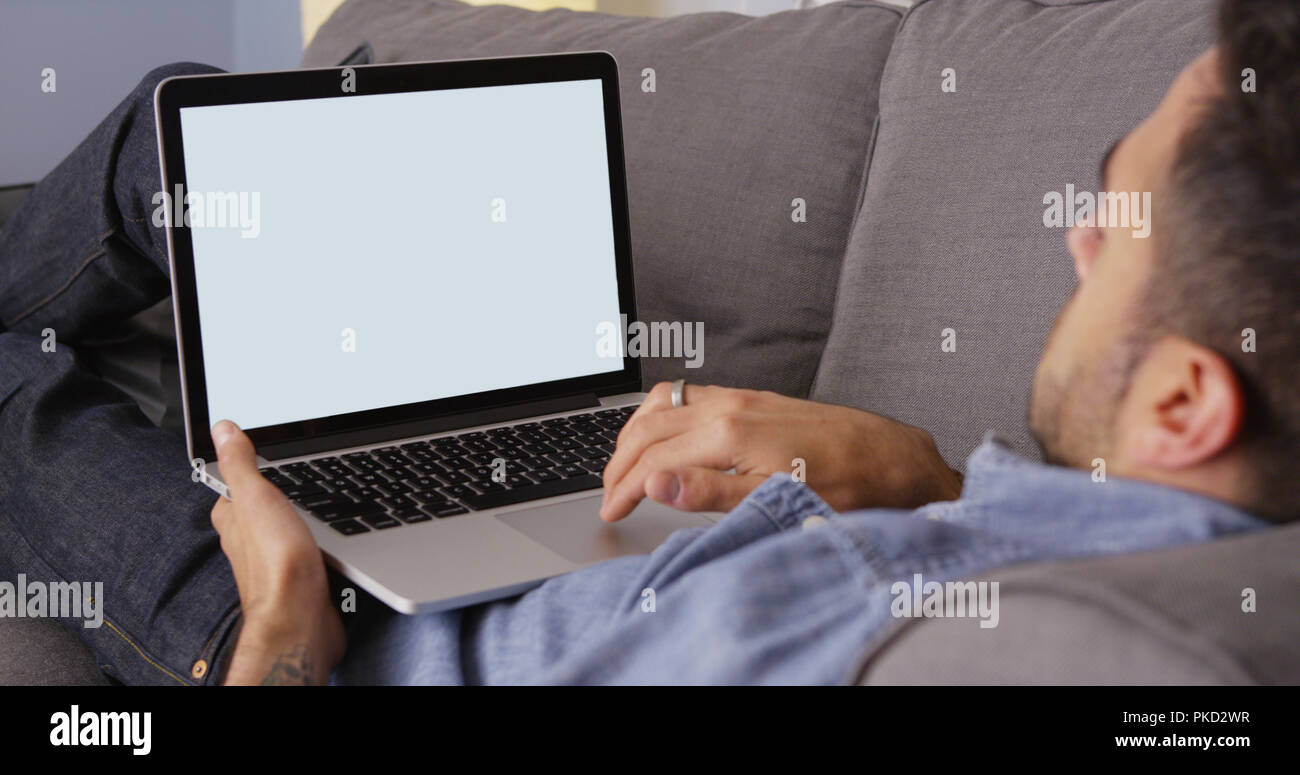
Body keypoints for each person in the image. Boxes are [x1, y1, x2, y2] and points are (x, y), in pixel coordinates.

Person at [0, 0, 1294, 685]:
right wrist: (929, 476)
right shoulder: (1101, 553)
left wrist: (284, 634)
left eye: (1117, 224)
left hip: (321, 630)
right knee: (176, 119)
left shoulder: (933, 633)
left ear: (1187, 403)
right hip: (603, 519)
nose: (1077, 238)